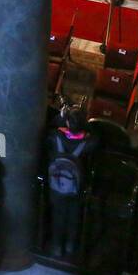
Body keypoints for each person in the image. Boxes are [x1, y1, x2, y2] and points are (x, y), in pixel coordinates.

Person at [46, 108, 98, 259]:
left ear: (67, 122)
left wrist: (61, 117)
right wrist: (86, 124)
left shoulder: (55, 136)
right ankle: (70, 246)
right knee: (74, 216)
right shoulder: (89, 142)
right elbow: (97, 135)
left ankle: (56, 247)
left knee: (58, 216)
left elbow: (50, 126)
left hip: (55, 186)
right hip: (76, 189)